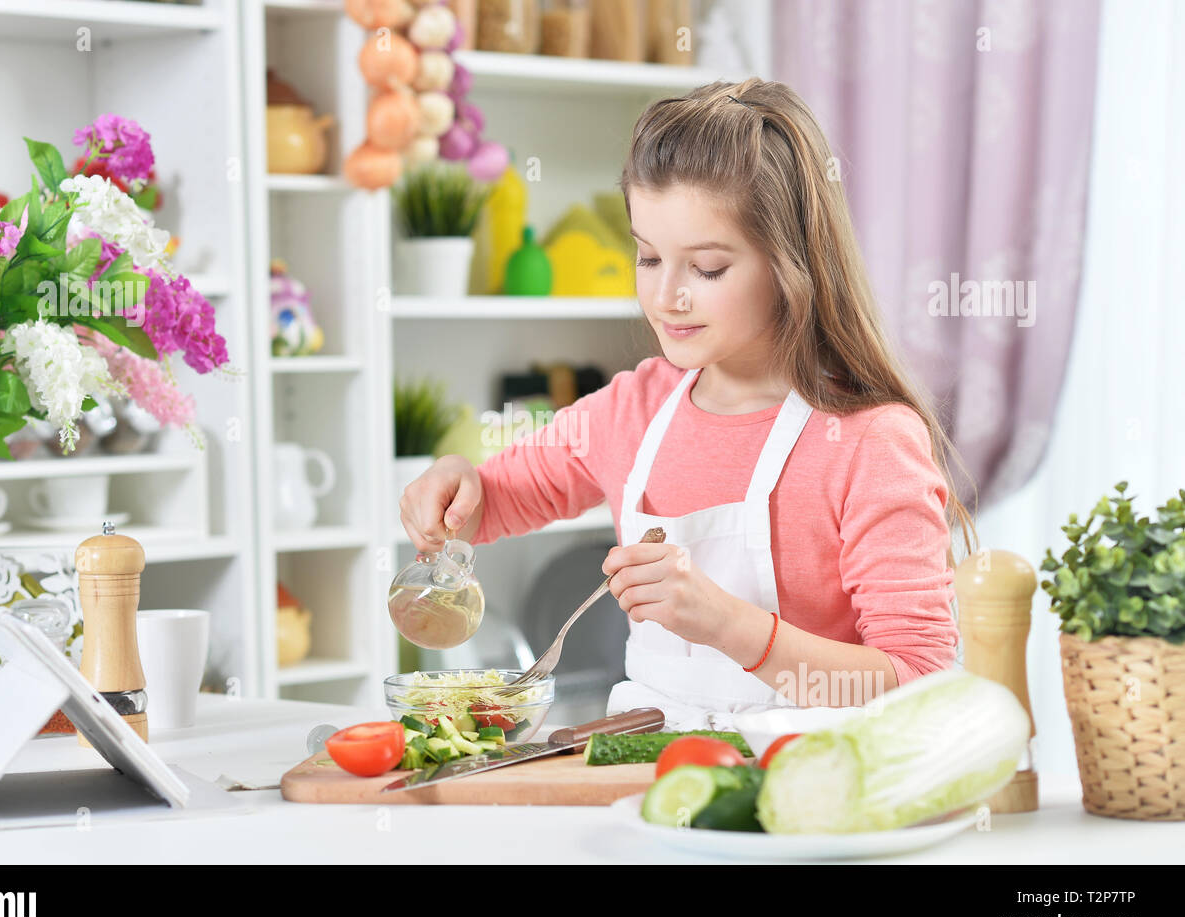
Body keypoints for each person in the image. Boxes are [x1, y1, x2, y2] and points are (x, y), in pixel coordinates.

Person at [398, 79, 979, 730]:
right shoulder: (633, 409)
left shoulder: (870, 441)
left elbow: (919, 682)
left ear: (793, 263)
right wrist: (455, 487)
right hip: (647, 780)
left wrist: (734, 627)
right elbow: (494, 501)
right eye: (648, 257)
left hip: (810, 794)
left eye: (706, 268)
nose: (666, 295)